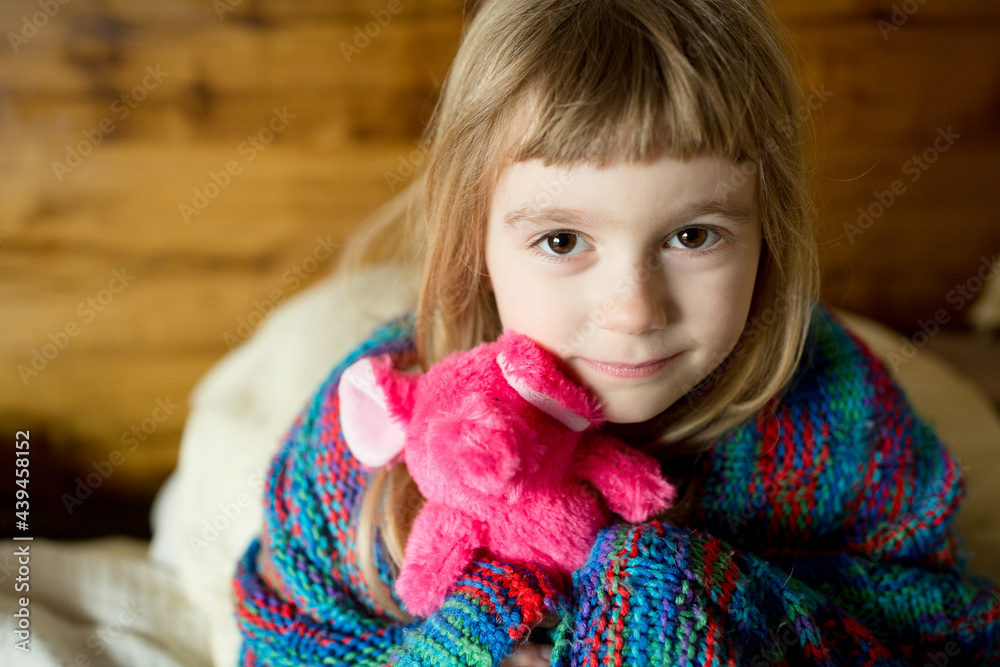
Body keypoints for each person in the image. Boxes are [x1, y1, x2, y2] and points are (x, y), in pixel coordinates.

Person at [232, 0, 1000, 664]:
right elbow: (282, 645)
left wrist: (678, 593)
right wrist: (461, 647)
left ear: (770, 232)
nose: (635, 310)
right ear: (475, 239)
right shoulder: (365, 440)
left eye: (694, 237)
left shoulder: (839, 409)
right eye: (563, 241)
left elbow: (946, 628)